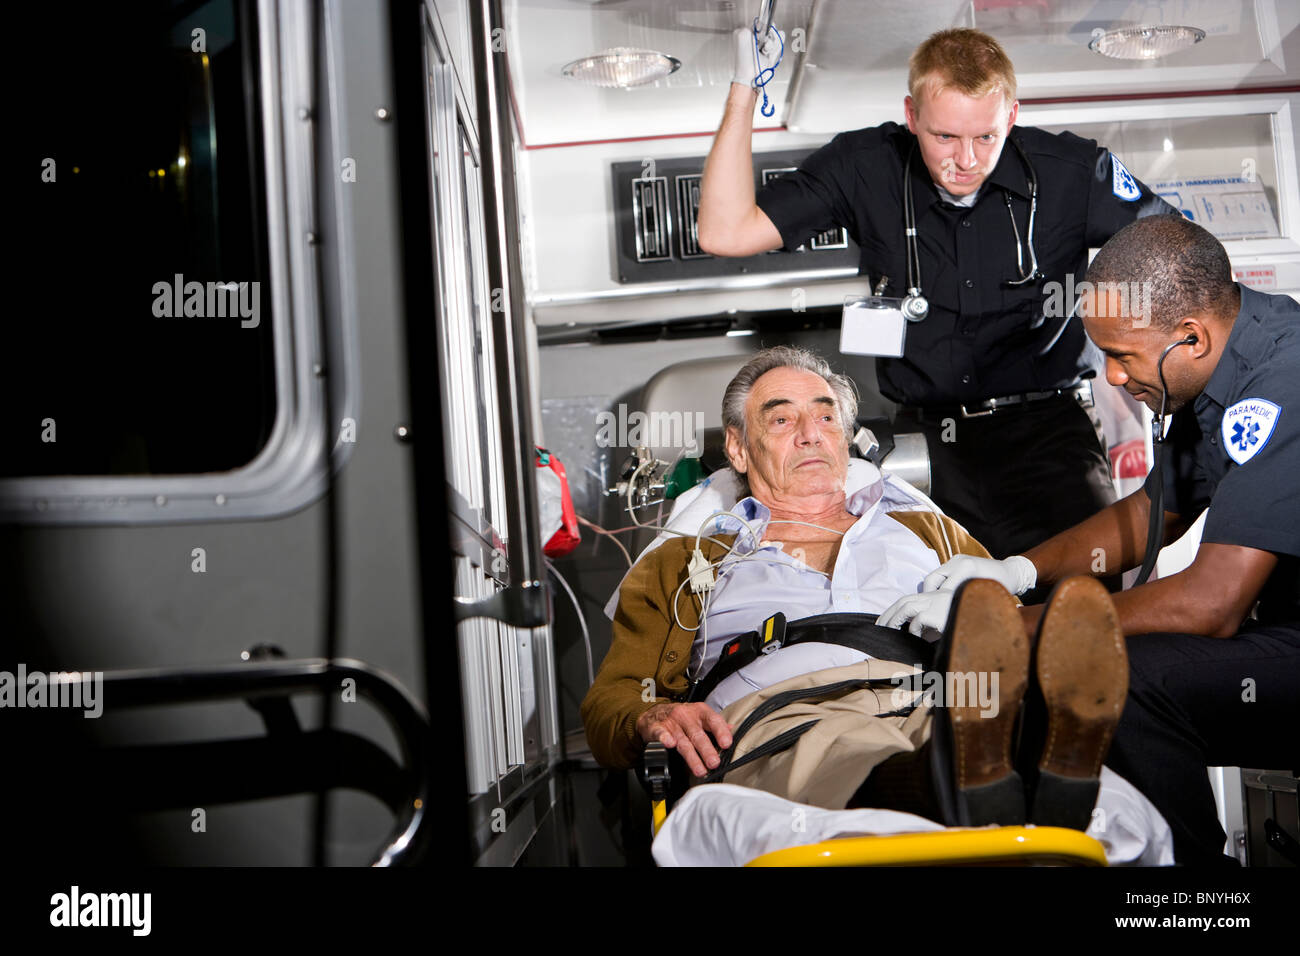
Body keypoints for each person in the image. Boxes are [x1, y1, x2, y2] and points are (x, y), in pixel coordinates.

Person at [581, 346, 1140, 836]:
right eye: (781, 421)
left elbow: (1003, 629)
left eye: (826, 417)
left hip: (938, 697)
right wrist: (649, 719)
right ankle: (964, 779)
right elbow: (613, 701)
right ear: (738, 449)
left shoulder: (928, 528)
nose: (810, 433)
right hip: (787, 716)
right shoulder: (688, 559)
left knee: (1038, 751)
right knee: (842, 745)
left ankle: (986, 760)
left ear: (846, 438)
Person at [899, 215, 1300, 865]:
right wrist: (1017, 571)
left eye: (1121, 355)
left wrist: (1010, 628)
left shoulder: (1283, 382)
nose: (1111, 378)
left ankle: (1198, 897)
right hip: (1284, 629)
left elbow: (1213, 603)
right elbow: (1154, 511)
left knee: (1128, 677)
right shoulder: (1214, 365)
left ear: (1190, 337)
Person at [697, 27, 1177, 564]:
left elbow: (1176, 253)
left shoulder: (1071, 171)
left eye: (986, 138)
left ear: (1011, 116)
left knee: (1083, 616)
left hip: (1051, 437)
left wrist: (1127, 344)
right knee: (941, 623)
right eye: (944, 137)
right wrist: (744, 88)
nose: (966, 160)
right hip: (928, 448)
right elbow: (725, 233)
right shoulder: (864, 167)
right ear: (912, 116)